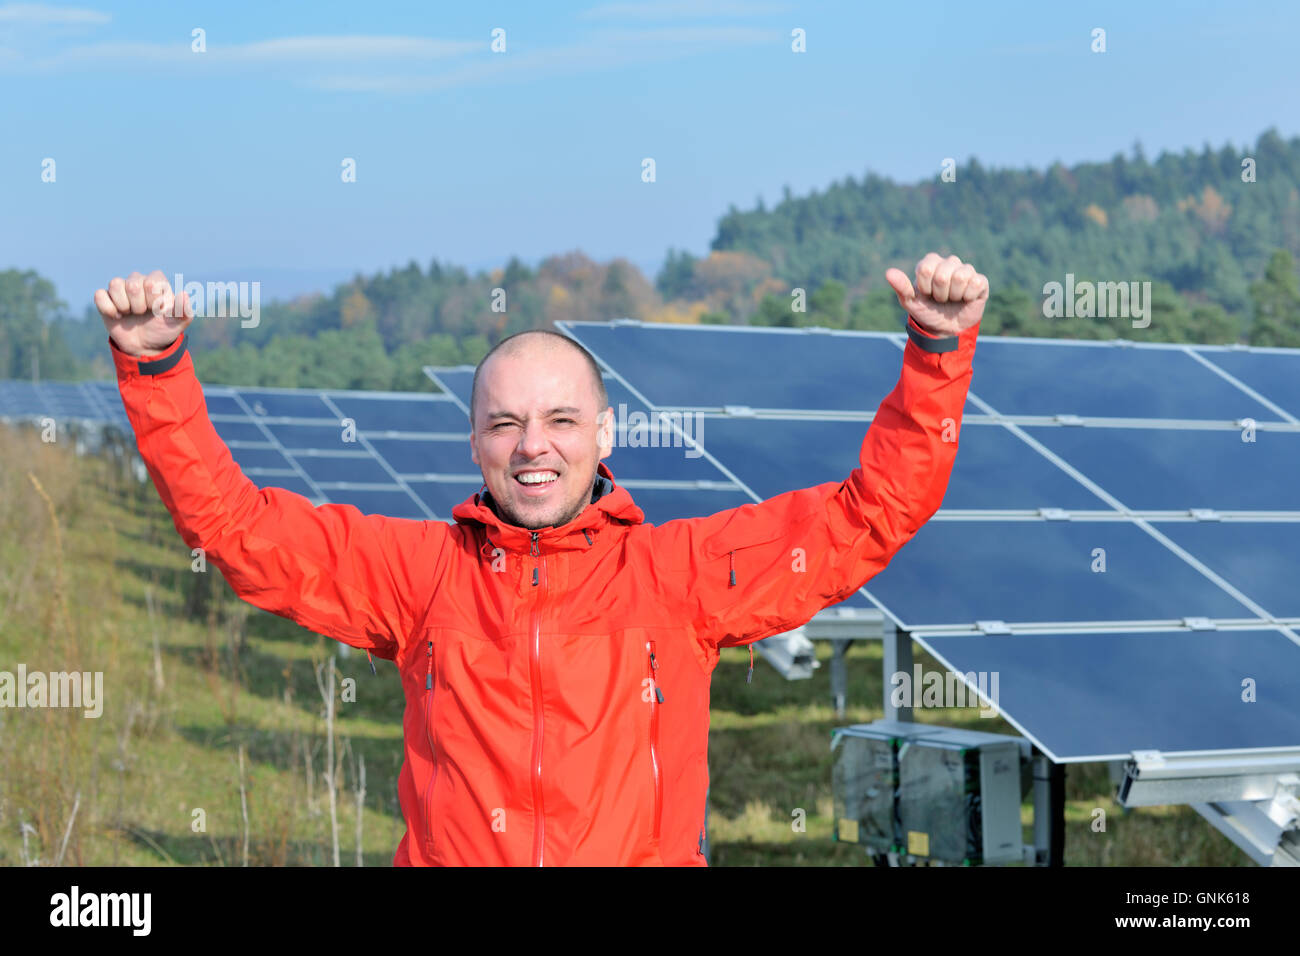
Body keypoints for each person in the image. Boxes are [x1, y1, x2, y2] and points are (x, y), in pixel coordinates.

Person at [95, 253, 987, 866]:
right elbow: (236, 529)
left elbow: (877, 512)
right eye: (505, 423)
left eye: (560, 420)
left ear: (603, 435)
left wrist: (937, 354)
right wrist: (158, 369)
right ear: (474, 441)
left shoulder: (678, 576)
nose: (534, 447)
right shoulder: (418, 574)